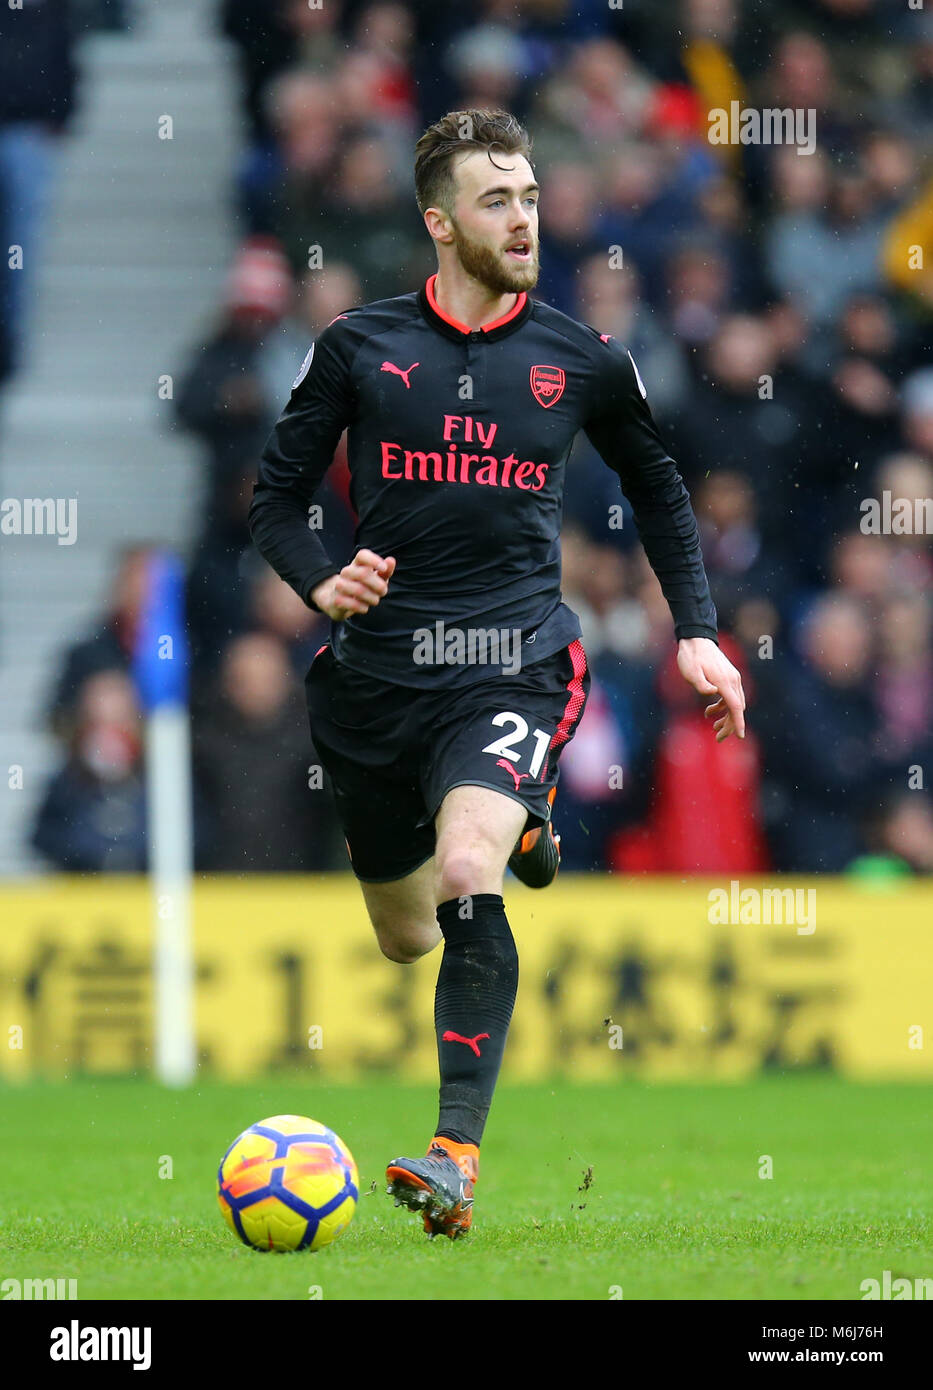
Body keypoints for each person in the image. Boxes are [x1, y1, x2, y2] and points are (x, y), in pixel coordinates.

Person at [248, 109, 745, 1240]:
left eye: (527, 197)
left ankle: (454, 1157)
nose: (523, 220)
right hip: (376, 680)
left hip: (512, 662)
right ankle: (526, 819)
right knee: (406, 934)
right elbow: (275, 498)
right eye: (495, 201)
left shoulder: (583, 358)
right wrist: (321, 582)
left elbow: (660, 489)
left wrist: (697, 631)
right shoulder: (358, 347)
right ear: (440, 222)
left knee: (468, 866)